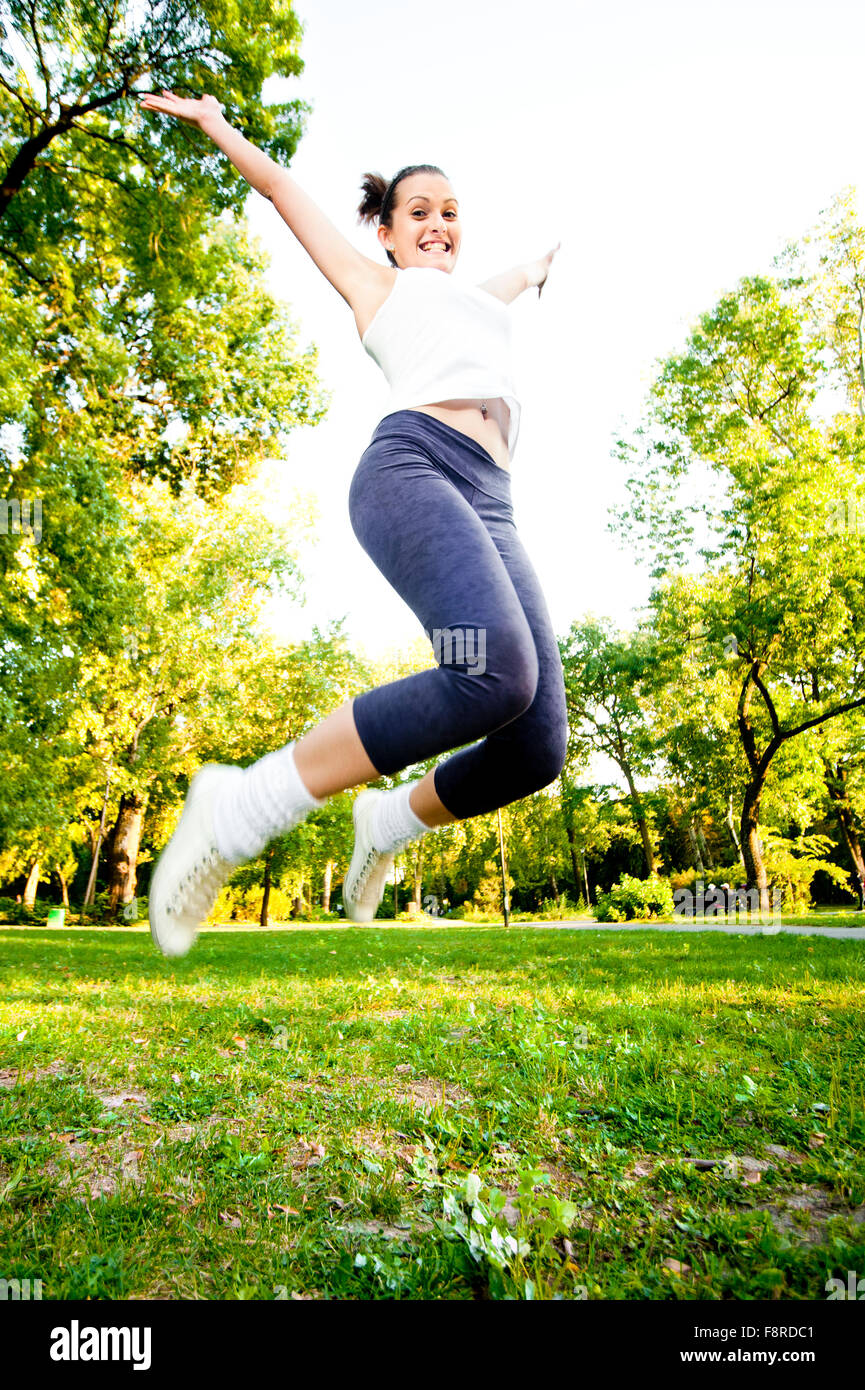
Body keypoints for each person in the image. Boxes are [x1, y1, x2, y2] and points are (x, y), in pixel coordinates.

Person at [138, 88, 569, 957]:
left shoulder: (480, 301)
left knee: (536, 743)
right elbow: (281, 191)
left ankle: (388, 821)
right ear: (387, 229)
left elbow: (504, 287)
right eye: (419, 212)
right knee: (492, 671)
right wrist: (219, 124)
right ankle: (241, 806)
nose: (438, 224)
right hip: (411, 467)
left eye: (451, 212)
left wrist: (536, 269)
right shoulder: (376, 285)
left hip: (493, 497)